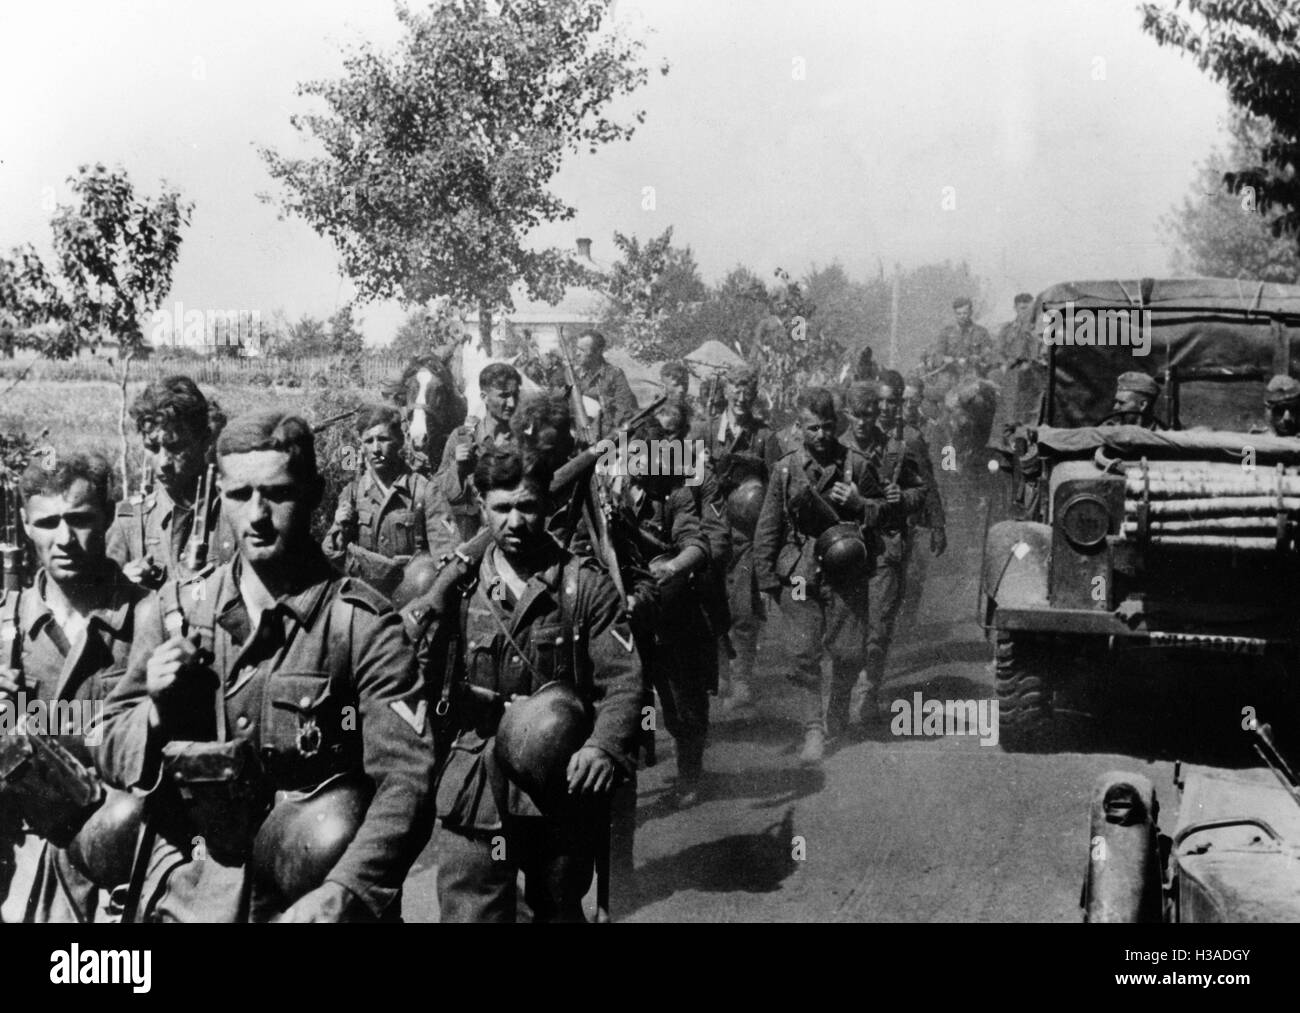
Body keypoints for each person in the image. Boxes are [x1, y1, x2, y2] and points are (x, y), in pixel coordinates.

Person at [93, 411, 437, 923]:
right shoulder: (177, 612)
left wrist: (348, 891)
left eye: (276, 493)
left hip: (315, 899)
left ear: (315, 493)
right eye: (239, 495)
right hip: (194, 898)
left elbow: (406, 781)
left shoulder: (359, 625)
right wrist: (155, 715)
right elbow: (106, 741)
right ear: (219, 497)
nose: (256, 515)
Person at [409, 446, 642, 922]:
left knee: (556, 907)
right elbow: (423, 687)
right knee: (470, 909)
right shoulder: (458, 587)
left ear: (550, 506)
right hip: (476, 779)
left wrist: (603, 747)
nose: (515, 521)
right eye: (501, 508)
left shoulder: (584, 586)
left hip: (559, 777)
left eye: (528, 506)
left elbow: (624, 680)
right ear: (480, 505)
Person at [0, 453, 147, 923]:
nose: (64, 539)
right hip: (29, 862)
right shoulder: (7, 624)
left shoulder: (149, 619)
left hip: (125, 866)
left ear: (108, 516)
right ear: (25, 525)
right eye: (48, 522)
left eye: (80, 519)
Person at [753, 388, 885, 765]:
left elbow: (887, 515)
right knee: (802, 653)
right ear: (799, 427)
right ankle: (814, 728)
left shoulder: (856, 465)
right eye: (813, 428)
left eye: (828, 427)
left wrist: (861, 505)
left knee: (848, 652)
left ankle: (838, 706)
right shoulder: (785, 468)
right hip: (800, 572)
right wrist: (765, 580)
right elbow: (769, 526)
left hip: (846, 570)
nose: (822, 436)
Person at [694, 364, 784, 712]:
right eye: (736, 389)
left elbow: (777, 488)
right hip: (710, 531)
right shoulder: (703, 431)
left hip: (747, 534)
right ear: (726, 391)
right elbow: (686, 483)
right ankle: (721, 673)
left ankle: (744, 677)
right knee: (713, 606)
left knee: (744, 610)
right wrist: (697, 466)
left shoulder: (764, 437)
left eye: (749, 390)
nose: (742, 397)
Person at [845, 374, 931, 720]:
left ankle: (866, 691)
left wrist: (904, 498)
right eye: (874, 404)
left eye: (888, 403)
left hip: (886, 546)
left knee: (879, 626)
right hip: (847, 547)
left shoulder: (901, 445)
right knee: (848, 626)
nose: (881, 410)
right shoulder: (839, 446)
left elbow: (922, 490)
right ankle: (841, 690)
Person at [107, 375, 234, 589]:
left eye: (176, 447)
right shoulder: (128, 519)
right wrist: (122, 585)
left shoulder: (233, 511)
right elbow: (100, 599)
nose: (164, 462)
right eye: (153, 448)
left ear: (204, 440)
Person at [322, 404, 441, 598]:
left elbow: (446, 555)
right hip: (366, 597)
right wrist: (338, 527)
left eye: (383, 439)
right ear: (362, 446)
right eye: (369, 441)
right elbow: (332, 554)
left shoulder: (424, 490)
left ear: (400, 442)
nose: (376, 449)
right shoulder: (353, 492)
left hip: (411, 597)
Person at [426, 364, 522, 561]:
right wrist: (458, 469)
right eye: (503, 396)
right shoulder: (461, 438)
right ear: (484, 397)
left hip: (513, 537)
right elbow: (439, 495)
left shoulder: (525, 441)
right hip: (469, 542)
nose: (511, 403)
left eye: (515, 395)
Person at [898, 377, 948, 631]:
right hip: (893, 508)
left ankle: (907, 621)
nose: (908, 405)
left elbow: (942, 463)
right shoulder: (887, 430)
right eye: (903, 400)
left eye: (913, 400)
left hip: (921, 503)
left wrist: (937, 521)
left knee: (915, 571)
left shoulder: (931, 429)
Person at [575, 329, 638, 433]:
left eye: (583, 350)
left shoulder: (614, 374)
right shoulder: (574, 375)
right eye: (577, 349)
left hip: (605, 436)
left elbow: (625, 410)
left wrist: (601, 430)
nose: (577, 353)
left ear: (598, 351)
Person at [934, 296, 995, 371]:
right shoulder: (946, 332)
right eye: (958, 314)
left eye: (965, 313)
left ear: (971, 312)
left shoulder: (981, 332)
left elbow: (988, 352)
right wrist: (944, 358)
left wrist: (979, 357)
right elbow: (938, 354)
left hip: (974, 372)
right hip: (951, 373)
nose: (962, 316)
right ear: (955, 314)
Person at [996, 293, 1038, 369]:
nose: (1028, 312)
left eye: (1031, 309)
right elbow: (998, 351)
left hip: (1034, 370)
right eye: (1023, 308)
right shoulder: (1007, 329)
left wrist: (1030, 363)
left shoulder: (1040, 329)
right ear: (1015, 308)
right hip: (1011, 368)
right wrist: (1005, 364)